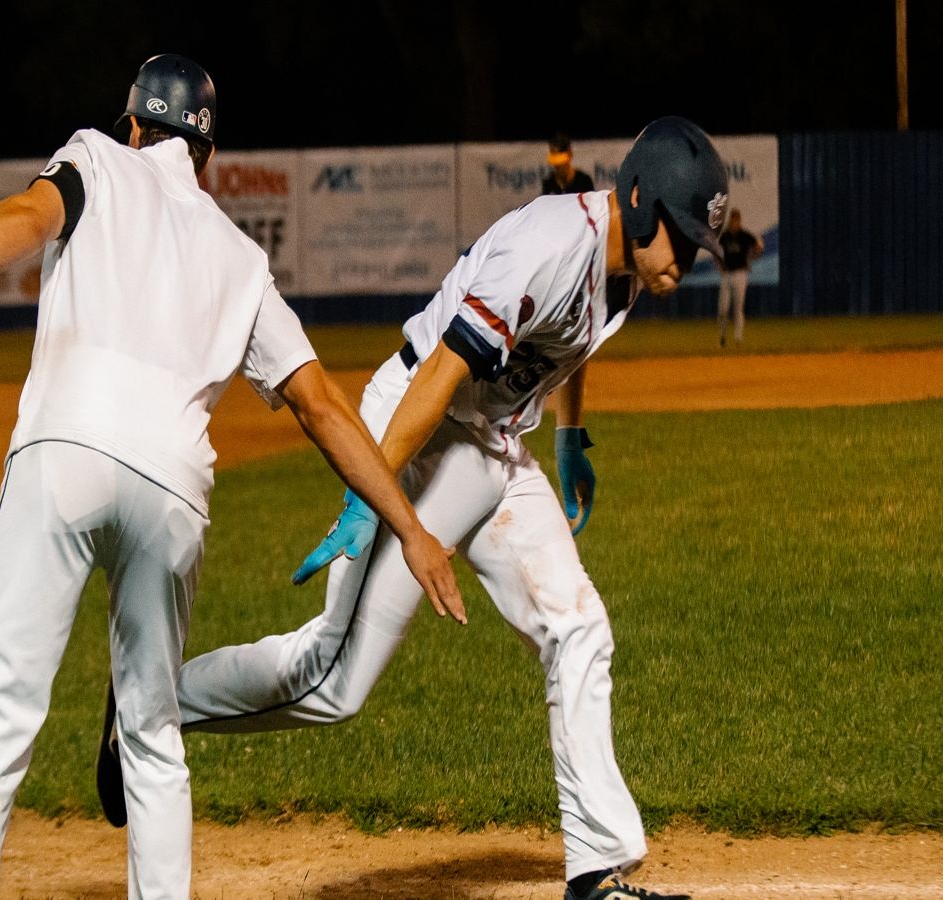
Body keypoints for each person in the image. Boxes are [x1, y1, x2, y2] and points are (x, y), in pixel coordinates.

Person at [0, 53, 460, 900]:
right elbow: (321, 402)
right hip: (174, 491)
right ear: (207, 155)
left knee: (1, 713)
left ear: (135, 126)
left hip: (64, 455)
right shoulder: (238, 255)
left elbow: (30, 215)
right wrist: (411, 528)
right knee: (151, 734)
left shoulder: (96, 160)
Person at [96, 116, 728, 900]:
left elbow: (564, 344)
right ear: (638, 199)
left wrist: (571, 440)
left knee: (578, 627)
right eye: (683, 232)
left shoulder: (627, 268)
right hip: (421, 427)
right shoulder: (547, 245)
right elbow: (438, 376)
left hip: (491, 438)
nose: (689, 257)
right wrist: (374, 502)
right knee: (332, 679)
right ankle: (145, 703)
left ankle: (595, 872)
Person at [716, 208, 764, 347]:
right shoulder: (725, 236)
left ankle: (738, 339)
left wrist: (752, 258)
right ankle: (722, 337)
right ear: (730, 220)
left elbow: (758, 248)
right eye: (732, 219)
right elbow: (716, 252)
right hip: (727, 274)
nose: (734, 222)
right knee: (723, 309)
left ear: (739, 221)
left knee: (738, 308)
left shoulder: (744, 235)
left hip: (740, 274)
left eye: (736, 219)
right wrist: (719, 266)